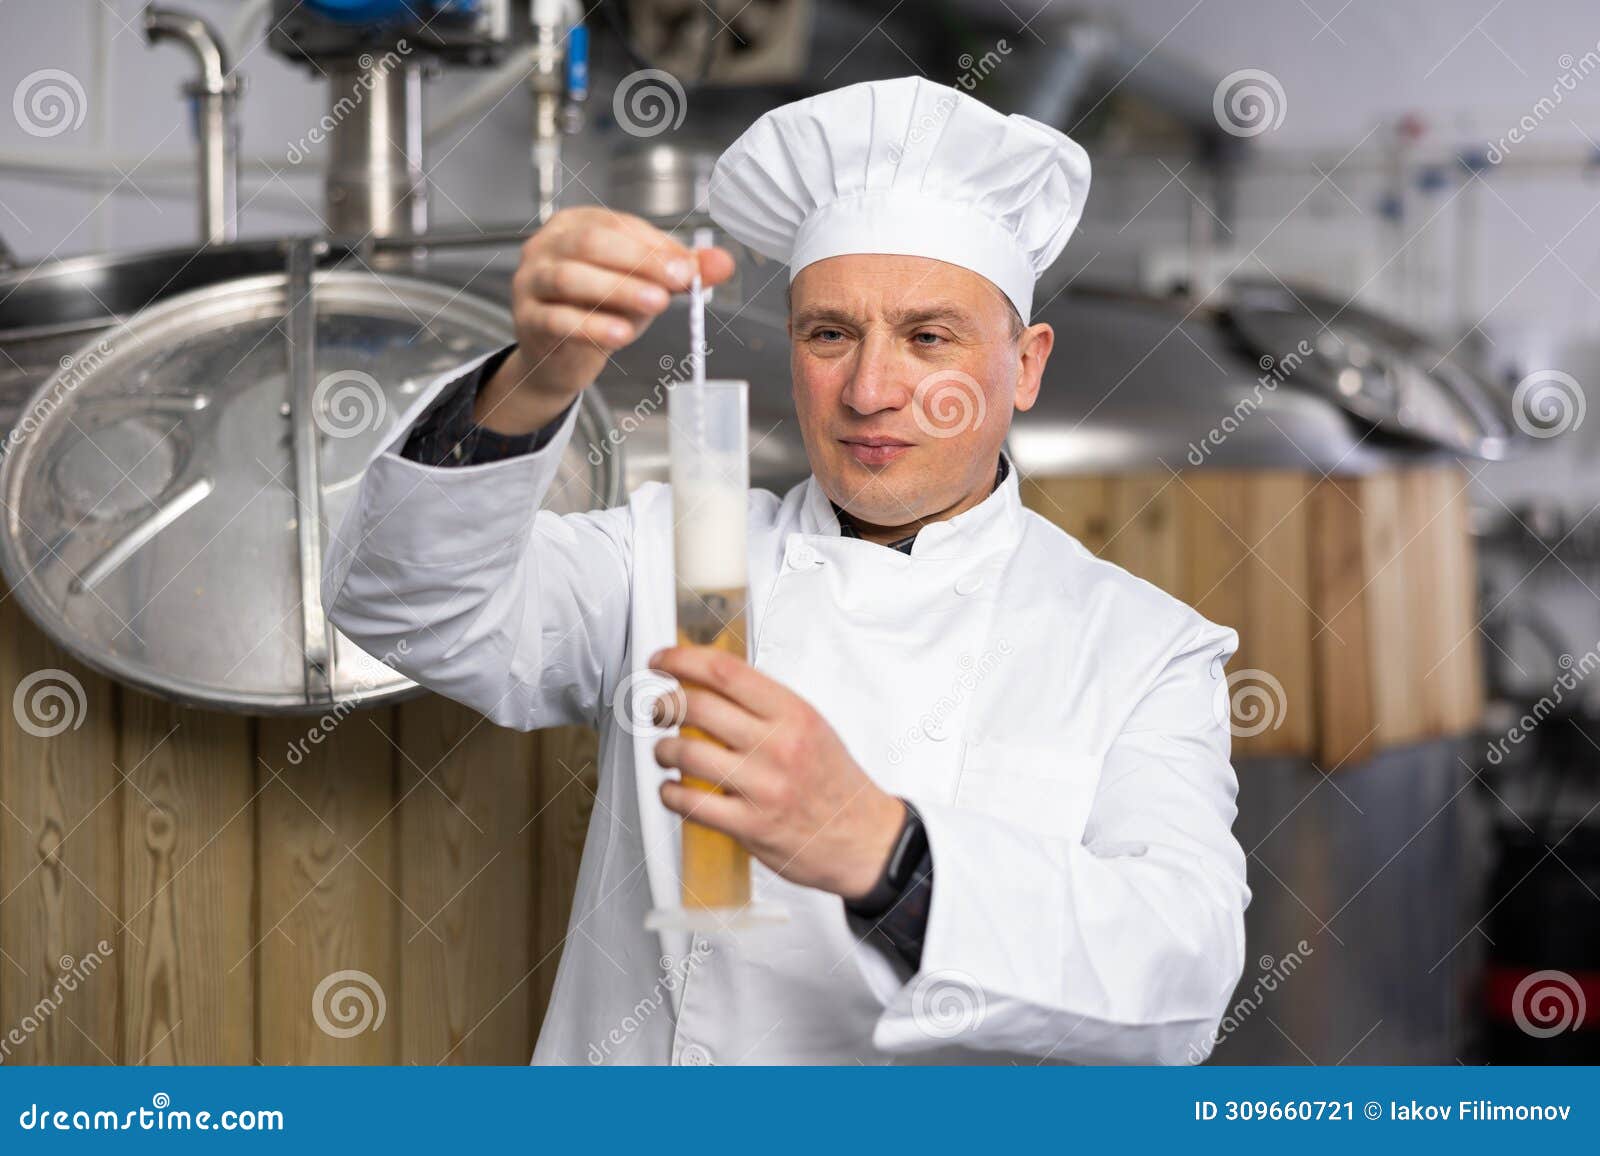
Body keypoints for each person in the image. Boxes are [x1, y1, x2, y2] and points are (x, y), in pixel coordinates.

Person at [323, 75, 1250, 1065]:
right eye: (830, 334)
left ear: (1023, 364)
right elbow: (406, 603)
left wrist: (884, 852)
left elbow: (1181, 978)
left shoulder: (1140, 650)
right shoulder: (676, 560)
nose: (871, 389)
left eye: (927, 336)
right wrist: (536, 378)